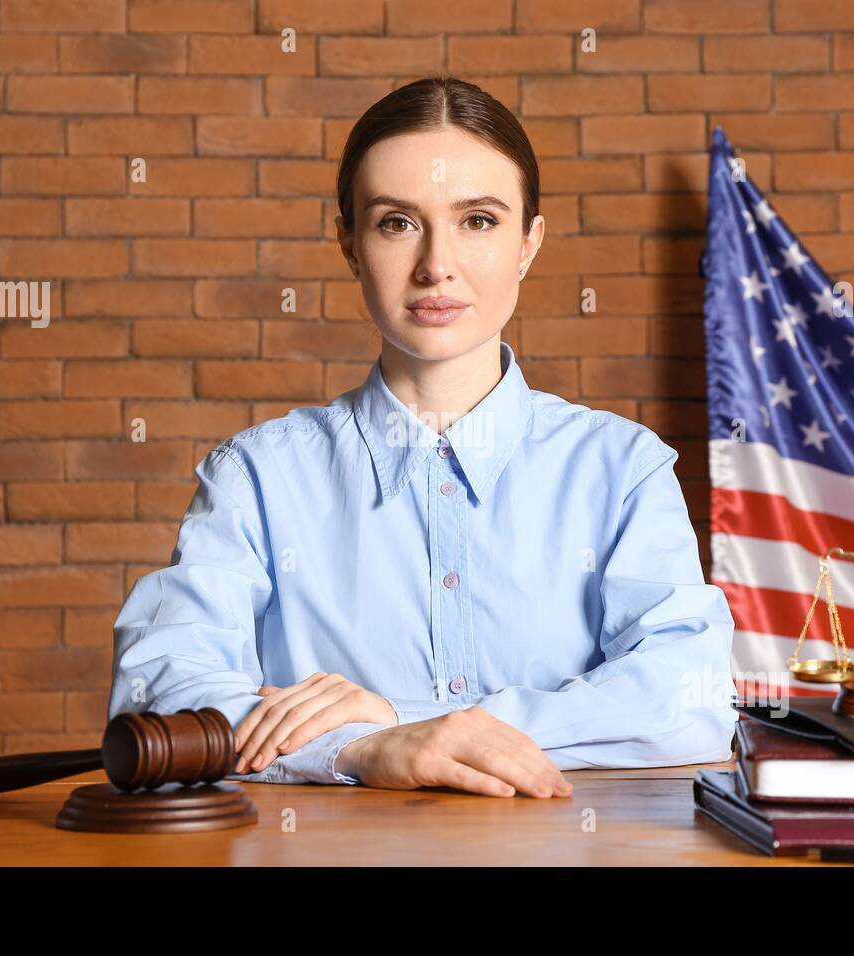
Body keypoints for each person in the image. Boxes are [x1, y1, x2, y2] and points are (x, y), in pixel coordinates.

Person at [108, 76, 738, 799]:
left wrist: (398, 728)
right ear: (348, 241)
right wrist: (362, 748)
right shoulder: (255, 475)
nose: (436, 264)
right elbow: (157, 699)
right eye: (396, 222)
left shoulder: (621, 469)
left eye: (478, 220)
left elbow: (688, 703)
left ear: (528, 243)